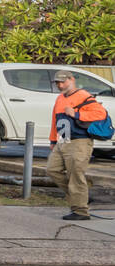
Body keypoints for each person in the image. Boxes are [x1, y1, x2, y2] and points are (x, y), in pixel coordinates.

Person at [46, 70, 108, 221]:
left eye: (62, 82)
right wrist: (53, 140)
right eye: (57, 83)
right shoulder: (60, 98)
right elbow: (55, 120)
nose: (60, 85)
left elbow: (101, 114)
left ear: (71, 79)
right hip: (63, 140)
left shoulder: (83, 95)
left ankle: (81, 211)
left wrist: (77, 114)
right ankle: (81, 196)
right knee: (52, 170)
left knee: (75, 175)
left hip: (80, 141)